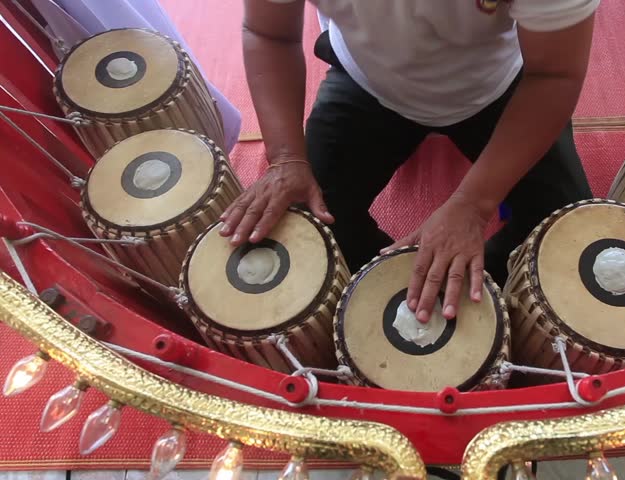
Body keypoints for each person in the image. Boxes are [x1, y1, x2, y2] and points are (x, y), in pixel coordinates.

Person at [220, 0, 598, 325]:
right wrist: (286, 158)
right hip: (368, 83)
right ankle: (393, 288)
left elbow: (554, 73)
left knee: (566, 239)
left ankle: (478, 309)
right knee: (302, 231)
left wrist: (473, 204)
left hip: (495, 87)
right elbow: (269, 34)